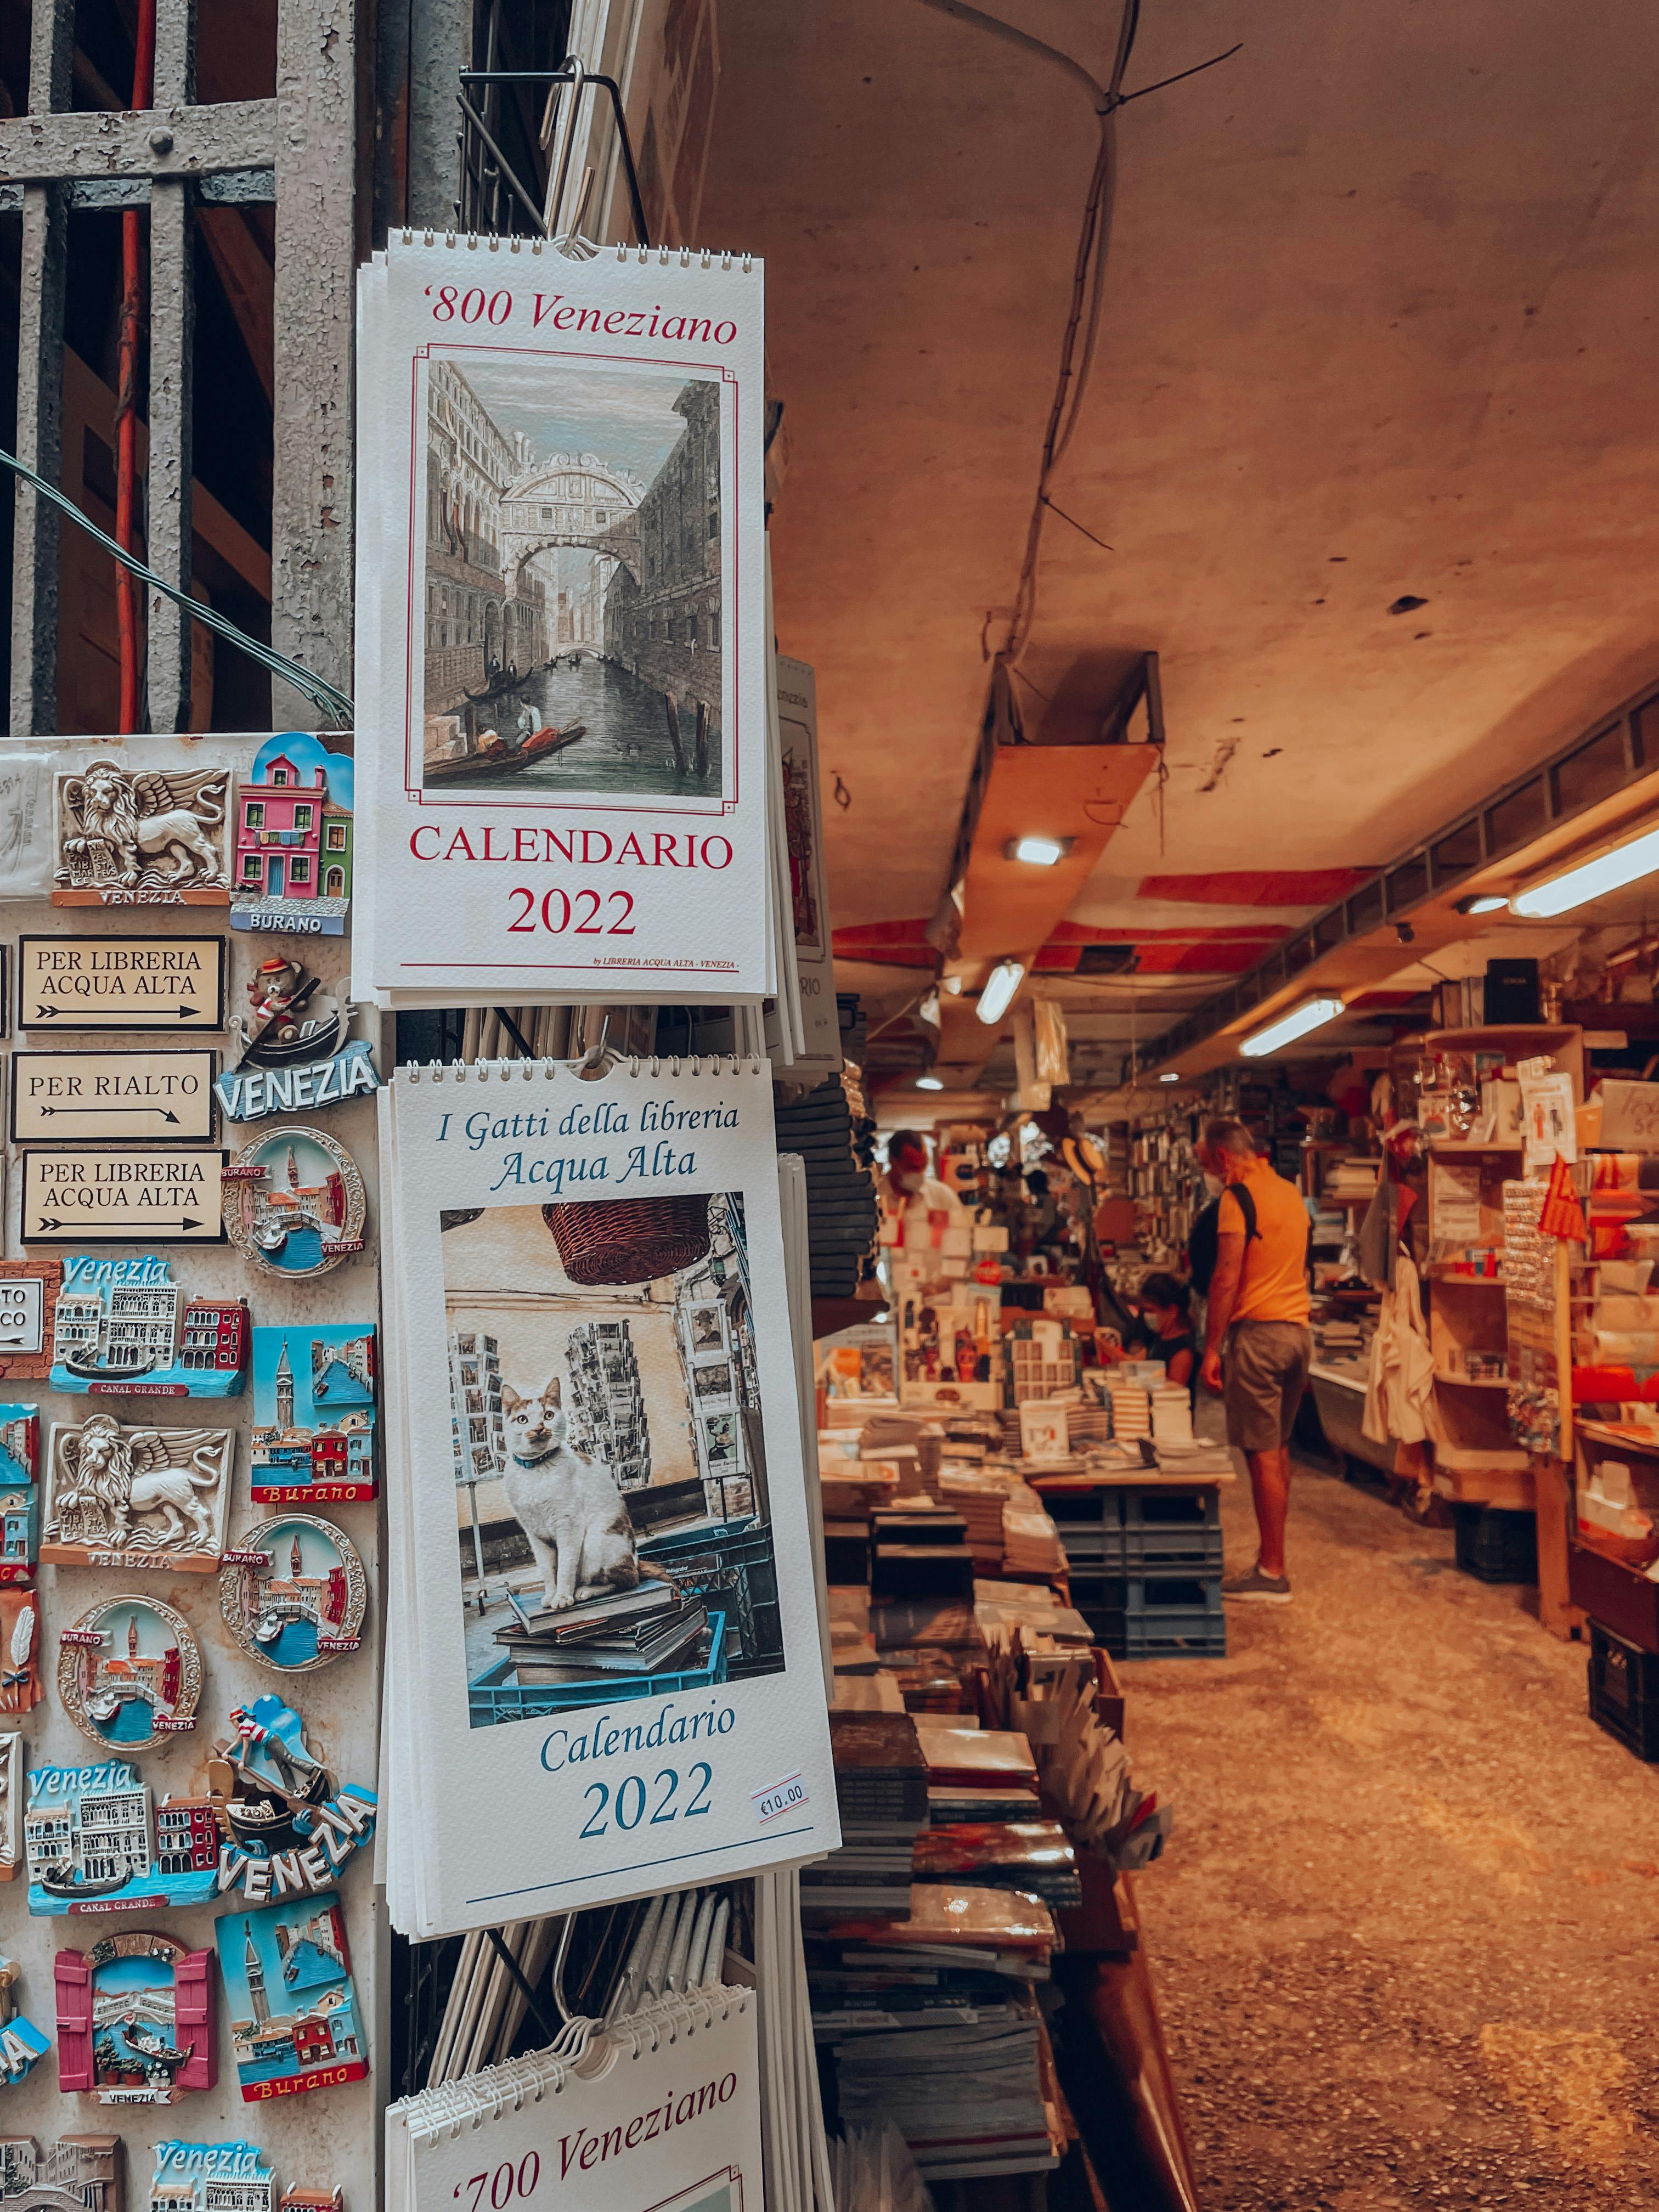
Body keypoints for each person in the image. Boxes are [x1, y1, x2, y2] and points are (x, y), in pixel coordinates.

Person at [1196, 1116, 1312, 1602]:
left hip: (1259, 1337)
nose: (1206, 1171)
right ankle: (1272, 1560)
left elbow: (1226, 1277)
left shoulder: (1235, 1199)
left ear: (1223, 1157)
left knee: (1261, 1453)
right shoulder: (1289, 1192)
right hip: (1298, 1334)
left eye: (1203, 1161)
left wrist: (1211, 1347)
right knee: (1278, 1449)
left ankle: (1272, 1569)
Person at [882, 1130, 965, 1239]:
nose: (919, 1173)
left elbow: (961, 1237)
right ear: (893, 1161)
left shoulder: (943, 1196)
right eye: (912, 1167)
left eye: (923, 1166)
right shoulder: (874, 1197)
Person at [1130, 1272, 1197, 1403]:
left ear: (1173, 1311)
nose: (1147, 1316)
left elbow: (1172, 1396)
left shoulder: (1183, 1351)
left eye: (1151, 1311)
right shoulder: (1159, 1337)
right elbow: (1136, 1362)